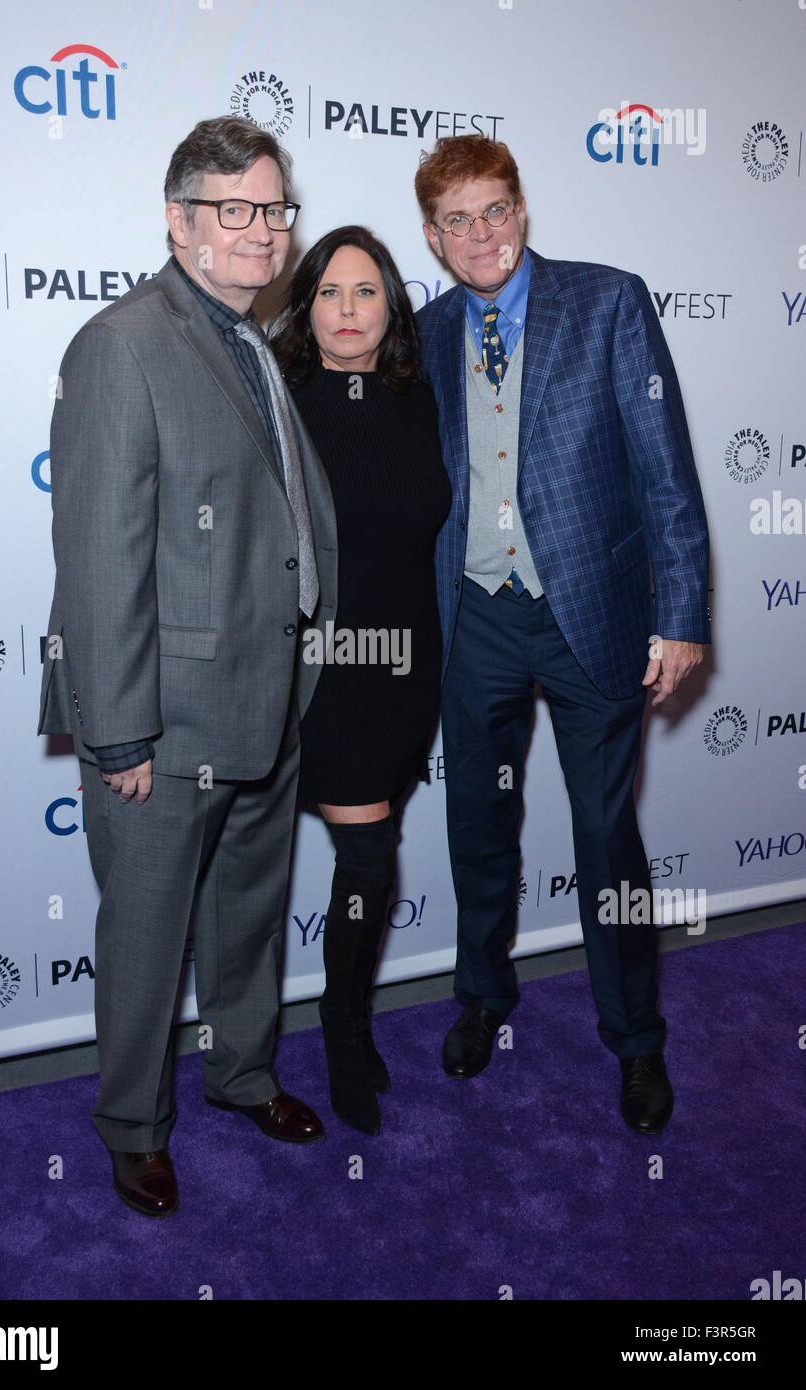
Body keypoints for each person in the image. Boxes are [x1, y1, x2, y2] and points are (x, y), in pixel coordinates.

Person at [38, 115, 338, 1217]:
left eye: (273, 208)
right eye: (236, 210)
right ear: (179, 222)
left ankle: (243, 1074)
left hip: (267, 699)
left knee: (248, 916)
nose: (263, 231)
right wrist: (115, 731)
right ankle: (130, 1126)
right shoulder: (124, 343)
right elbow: (101, 555)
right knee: (148, 934)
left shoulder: (251, 336)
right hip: (160, 722)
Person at [414, 134, 710, 1133]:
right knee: (477, 829)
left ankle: (633, 1040)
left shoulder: (607, 300)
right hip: (476, 615)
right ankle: (481, 995)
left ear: (521, 211)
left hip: (592, 614)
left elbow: (663, 467)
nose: (480, 233)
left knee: (603, 837)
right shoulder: (423, 330)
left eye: (494, 209)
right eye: (456, 220)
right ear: (432, 236)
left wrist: (679, 613)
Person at [271, 227, 451, 1134]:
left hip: (408, 664)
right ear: (304, 306)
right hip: (322, 667)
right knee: (368, 856)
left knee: (369, 859)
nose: (347, 311)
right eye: (330, 293)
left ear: (392, 304)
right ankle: (342, 1030)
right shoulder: (280, 398)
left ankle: (346, 1017)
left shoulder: (421, 400)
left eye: (366, 292)